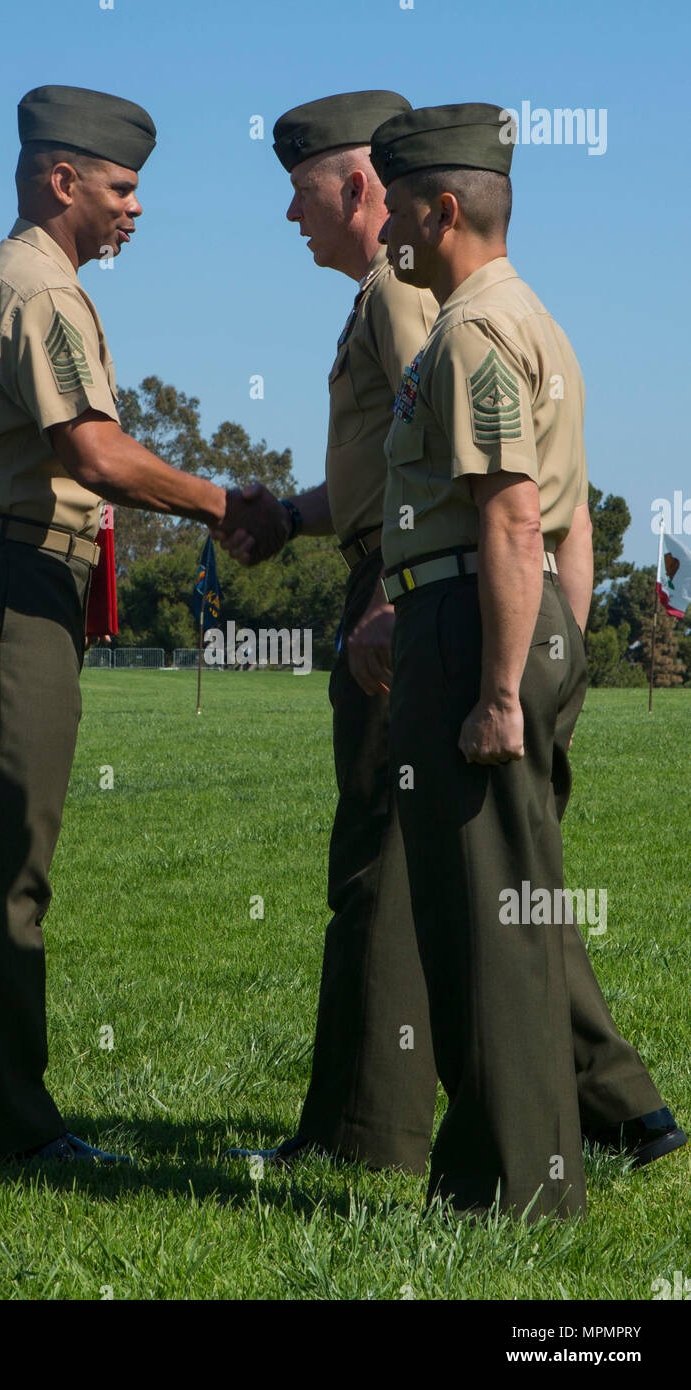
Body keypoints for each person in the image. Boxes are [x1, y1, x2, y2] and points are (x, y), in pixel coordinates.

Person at [0, 83, 285, 1167]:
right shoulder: (41, 291)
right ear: (63, 179)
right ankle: (2, 1128)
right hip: (2, 586)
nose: (136, 209)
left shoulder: (11, 280)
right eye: (123, 187)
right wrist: (227, 505)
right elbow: (91, 452)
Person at [369, 101, 684, 1217]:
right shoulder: (535, 320)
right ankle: (539, 1161)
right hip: (509, 614)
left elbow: (507, 516)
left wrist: (503, 686)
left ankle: (514, 1190)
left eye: (396, 209)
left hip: (476, 628)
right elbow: (569, 524)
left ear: (440, 208)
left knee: (484, 920)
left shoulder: (467, 332)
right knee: (517, 907)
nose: (383, 230)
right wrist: (554, 647)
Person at [220, 90, 440, 1170]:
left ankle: (360, 1138)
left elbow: (436, 442)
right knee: (401, 858)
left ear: (356, 186)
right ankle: (608, 1101)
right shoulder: (379, 289)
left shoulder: (396, 290)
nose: (290, 217)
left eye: (299, 194)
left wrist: (399, 592)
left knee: (374, 865)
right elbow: (376, 465)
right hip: (381, 571)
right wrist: (290, 517)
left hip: (391, 593)